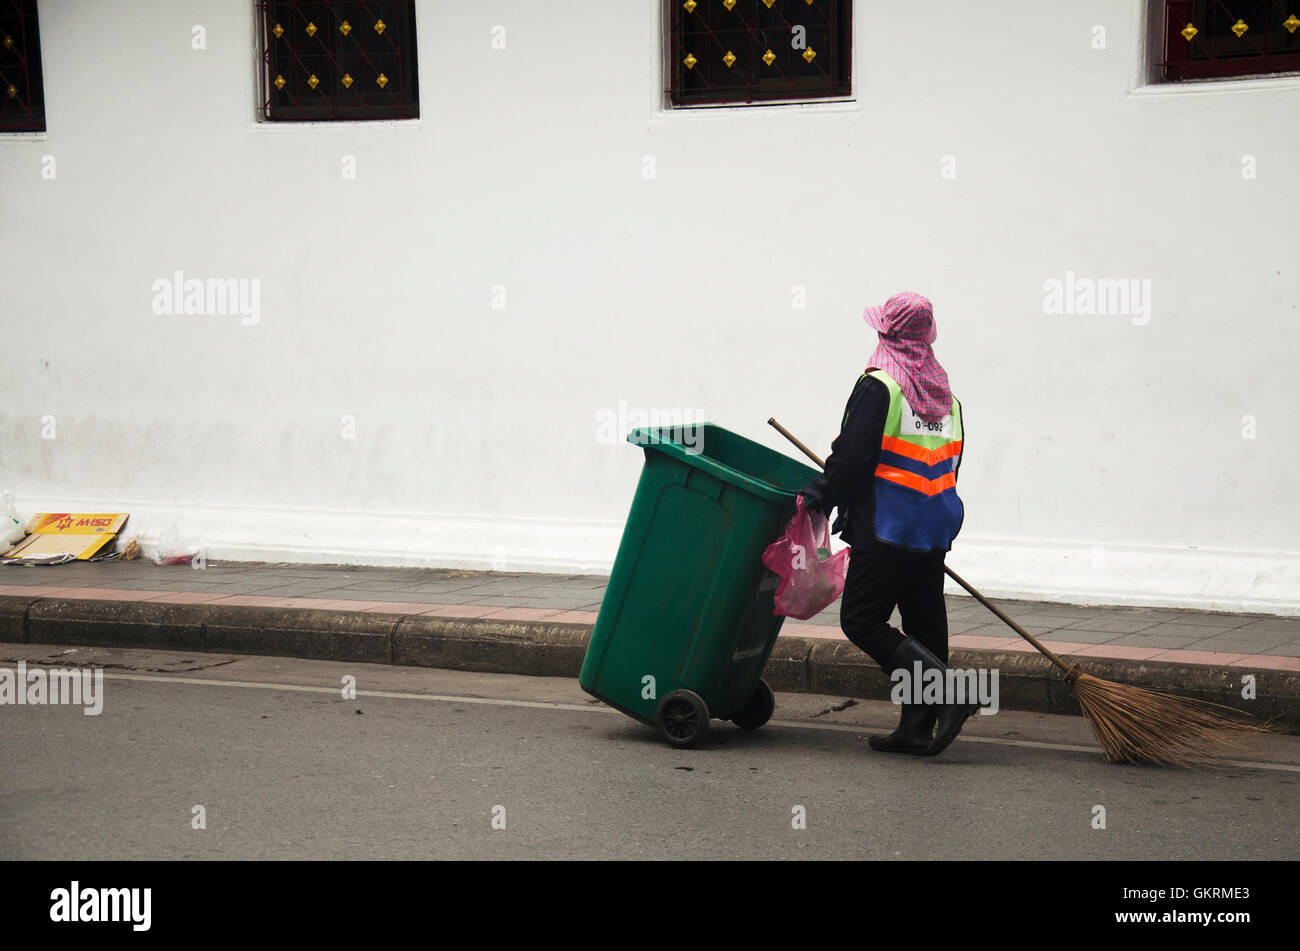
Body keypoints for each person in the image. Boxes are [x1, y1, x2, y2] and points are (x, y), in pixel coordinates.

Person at [800, 291, 979, 756]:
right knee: (923, 623)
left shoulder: (881, 387)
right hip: (934, 525)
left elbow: (855, 456)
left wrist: (822, 495)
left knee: (861, 620)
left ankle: (950, 692)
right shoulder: (948, 398)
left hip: (888, 524)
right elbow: (950, 464)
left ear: (887, 332)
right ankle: (916, 728)